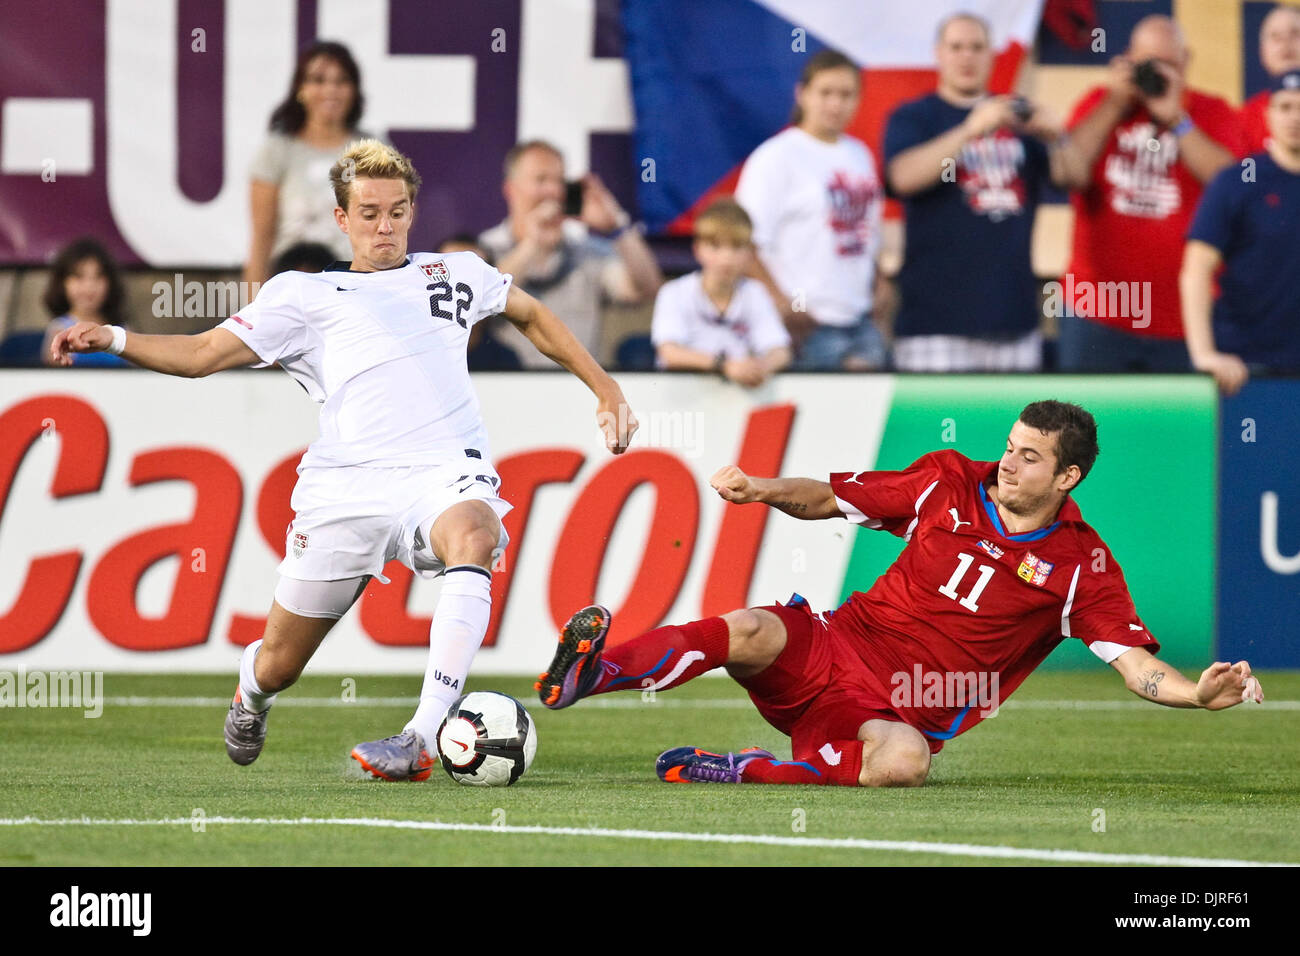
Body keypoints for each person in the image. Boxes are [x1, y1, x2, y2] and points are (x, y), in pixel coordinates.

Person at [51, 139, 638, 781]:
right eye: (369, 213)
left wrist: (603, 385)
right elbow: (200, 356)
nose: (384, 225)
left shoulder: (456, 272)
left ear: (412, 211)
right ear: (341, 218)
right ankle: (252, 695)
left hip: (444, 474)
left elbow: (528, 312)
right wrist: (114, 338)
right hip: (346, 493)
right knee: (280, 661)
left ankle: (422, 733)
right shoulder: (303, 294)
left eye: (396, 210)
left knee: (476, 532)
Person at [536, 400, 1263, 787]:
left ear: (1067, 478)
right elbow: (830, 497)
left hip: (889, 711)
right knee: (753, 625)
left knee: (903, 764)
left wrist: (1196, 696)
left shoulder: (1082, 565)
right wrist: (760, 490)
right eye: (1010, 446)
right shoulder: (948, 480)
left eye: (1030, 457)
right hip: (837, 644)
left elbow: (1135, 665)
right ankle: (588, 674)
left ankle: (741, 768)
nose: (1009, 464)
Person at [884, 13, 1081, 372]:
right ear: (938, 54)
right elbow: (903, 178)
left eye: (977, 48)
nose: (966, 57)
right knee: (934, 427)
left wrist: (1058, 135)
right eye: (956, 47)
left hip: (1014, 319)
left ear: (991, 55)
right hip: (934, 323)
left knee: (1015, 430)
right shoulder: (915, 116)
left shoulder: (1018, 120)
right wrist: (970, 129)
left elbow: (1073, 179)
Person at [1057, 15, 1244, 371]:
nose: (1157, 75)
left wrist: (1177, 119)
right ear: (1128, 58)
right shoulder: (1100, 102)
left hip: (1182, 318)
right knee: (1081, 425)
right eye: (1148, 64)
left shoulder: (1211, 111)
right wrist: (1115, 103)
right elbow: (1069, 171)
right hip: (1096, 309)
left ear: (1186, 62)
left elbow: (1230, 186)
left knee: (1173, 428)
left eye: (1168, 65)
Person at [734, 49, 887, 371]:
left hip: (860, 320)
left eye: (846, 94)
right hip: (806, 325)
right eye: (826, 93)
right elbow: (744, 242)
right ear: (802, 94)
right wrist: (782, 305)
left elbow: (867, 233)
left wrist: (879, 284)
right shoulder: (775, 157)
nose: (835, 103)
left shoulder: (859, 154)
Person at [478, 141, 662, 369]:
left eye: (559, 181)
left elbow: (645, 289)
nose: (553, 191)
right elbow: (476, 304)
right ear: (511, 190)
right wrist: (531, 245)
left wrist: (617, 226)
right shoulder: (484, 250)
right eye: (541, 180)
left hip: (578, 390)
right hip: (504, 388)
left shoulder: (587, 251)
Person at [1181, 71, 1300, 395]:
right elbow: (1196, 269)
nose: (1294, 118)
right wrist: (1204, 355)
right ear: (1267, 114)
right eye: (1285, 107)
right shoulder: (1237, 181)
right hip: (1245, 369)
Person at [242, 41, 368, 288]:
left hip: (356, 288)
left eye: (341, 81)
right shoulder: (278, 150)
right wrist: (252, 312)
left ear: (354, 89)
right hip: (291, 287)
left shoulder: (371, 151)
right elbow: (262, 239)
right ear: (300, 88)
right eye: (318, 80)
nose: (330, 90)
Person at [651, 199, 791, 387]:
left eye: (736, 247)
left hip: (739, 398)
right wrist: (724, 366)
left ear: (750, 253)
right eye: (716, 246)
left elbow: (780, 351)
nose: (726, 258)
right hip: (684, 399)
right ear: (697, 249)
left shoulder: (755, 293)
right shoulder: (674, 293)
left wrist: (759, 368)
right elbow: (669, 352)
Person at [40, 237, 131, 368]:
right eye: (79, 277)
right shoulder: (58, 330)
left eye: (98, 276)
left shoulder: (122, 330)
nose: (89, 286)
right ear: (63, 283)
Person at [437, 234, 523, 371]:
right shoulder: (412, 353)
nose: (460, 287)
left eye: (471, 275)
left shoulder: (505, 360)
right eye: (450, 273)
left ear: (489, 286)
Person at [1241, 5, 1300, 153]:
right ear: (1262, 51)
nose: (1285, 44)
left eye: (1295, 34)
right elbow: (1247, 174)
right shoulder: (1245, 118)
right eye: (1276, 37)